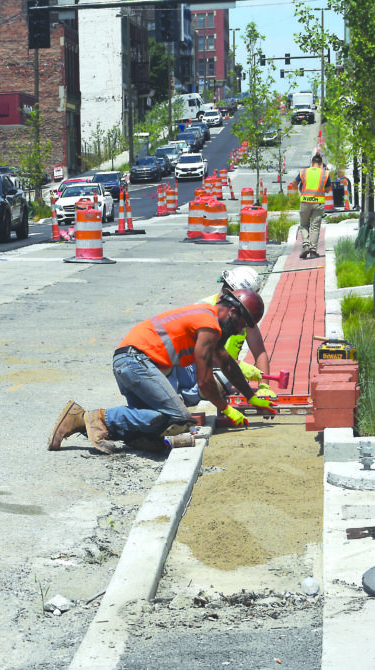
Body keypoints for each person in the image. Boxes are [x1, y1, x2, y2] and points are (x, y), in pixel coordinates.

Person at [48, 289, 274, 454]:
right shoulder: (209, 324)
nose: (239, 330)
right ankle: (97, 418)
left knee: (158, 420)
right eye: (242, 324)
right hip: (136, 362)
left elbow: (227, 364)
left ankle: (79, 421)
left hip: (129, 363)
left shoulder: (206, 316)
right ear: (233, 311)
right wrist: (226, 409)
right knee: (179, 417)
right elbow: (204, 381)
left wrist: (251, 396)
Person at [173, 267, 276, 406]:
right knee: (225, 384)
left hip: (224, 367)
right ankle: (183, 398)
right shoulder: (203, 309)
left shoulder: (241, 314)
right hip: (193, 368)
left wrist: (264, 387)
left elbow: (260, 352)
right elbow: (201, 353)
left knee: (229, 382)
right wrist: (238, 367)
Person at [294, 152, 331, 259]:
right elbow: (328, 190)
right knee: (315, 227)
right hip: (318, 203)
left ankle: (305, 245)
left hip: (305, 202)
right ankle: (313, 250)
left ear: (312, 162)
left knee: (304, 225)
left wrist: (301, 187)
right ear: (321, 163)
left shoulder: (304, 172)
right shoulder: (325, 173)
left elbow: (295, 183)